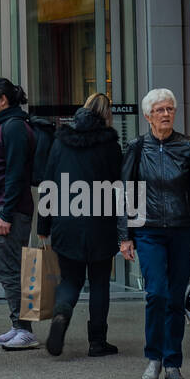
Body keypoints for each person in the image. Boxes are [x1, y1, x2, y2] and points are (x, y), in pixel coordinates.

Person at [120, 87, 190, 379]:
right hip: (148, 231)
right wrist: (125, 236)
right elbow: (126, 193)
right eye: (160, 110)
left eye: (170, 109)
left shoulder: (188, 146)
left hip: (183, 230)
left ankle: (173, 361)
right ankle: (154, 358)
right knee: (157, 293)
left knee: (175, 298)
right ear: (148, 116)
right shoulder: (137, 147)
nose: (166, 114)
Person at [38, 93, 124, 357]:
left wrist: (43, 225)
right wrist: (130, 227)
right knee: (99, 282)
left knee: (71, 279)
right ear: (106, 114)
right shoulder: (110, 144)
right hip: (101, 223)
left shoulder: (61, 141)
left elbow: (48, 182)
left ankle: (61, 314)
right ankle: (97, 342)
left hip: (66, 222)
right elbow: (121, 185)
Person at [0, 78, 39, 351]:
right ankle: (18, 325)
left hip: (8, 209)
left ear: (2, 100)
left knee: (13, 270)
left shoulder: (14, 127)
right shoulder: (5, 125)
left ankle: (25, 329)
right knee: (8, 270)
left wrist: (5, 213)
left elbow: (16, 173)